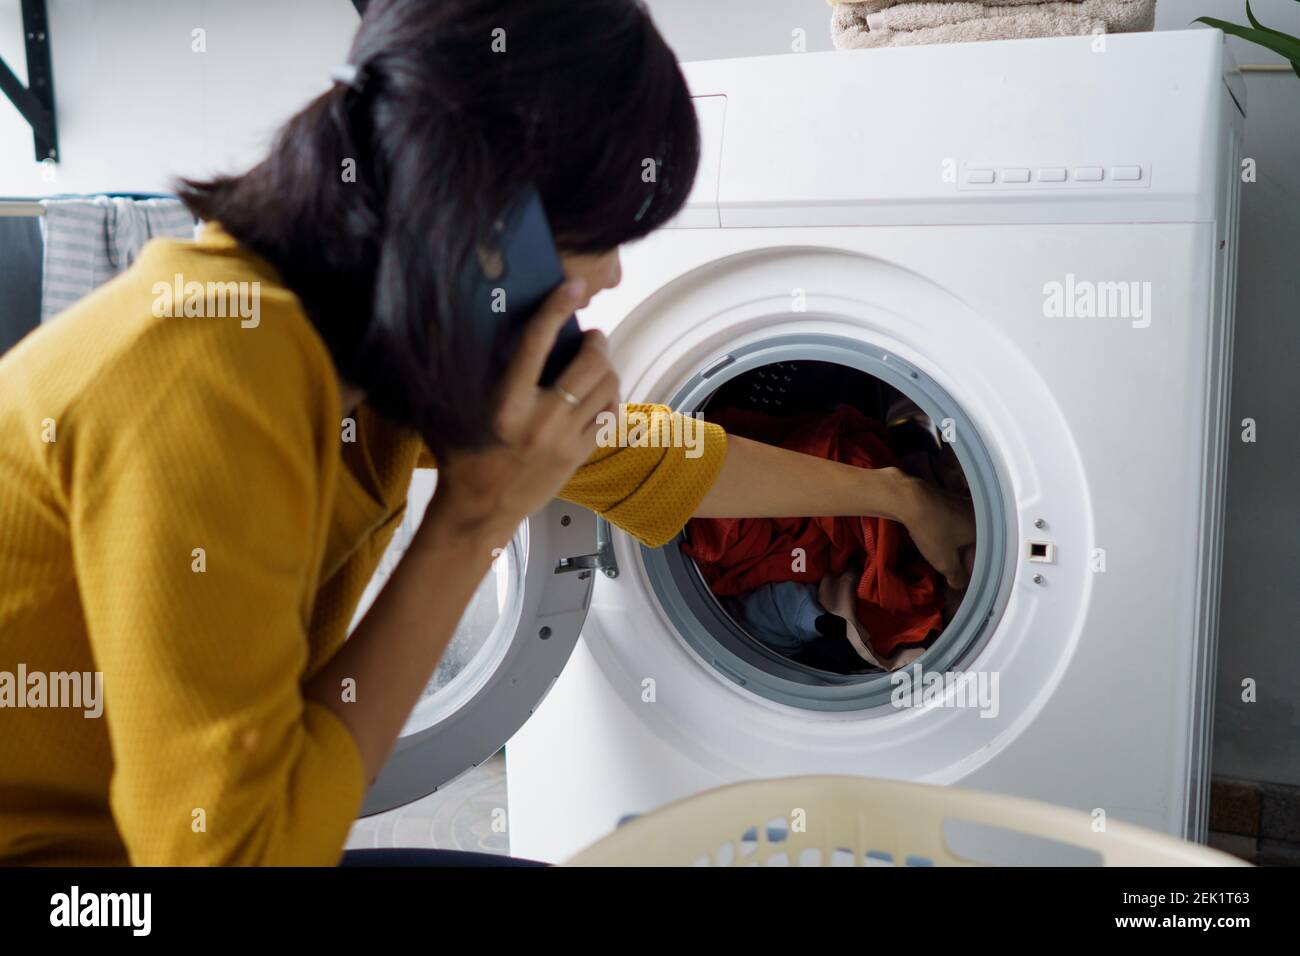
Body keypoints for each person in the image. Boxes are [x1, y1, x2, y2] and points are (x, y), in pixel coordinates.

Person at [0, 0, 974, 865]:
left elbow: (647, 460)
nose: (613, 279)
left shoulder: (369, 351)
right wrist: (469, 522)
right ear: (483, 216)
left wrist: (896, 493)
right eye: (603, 231)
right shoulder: (207, 372)